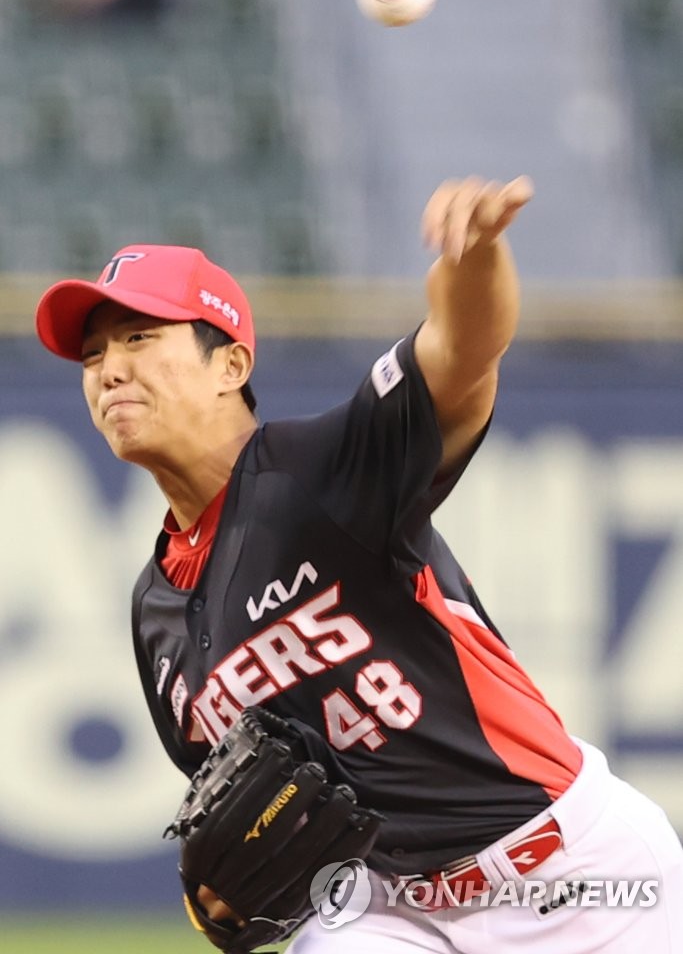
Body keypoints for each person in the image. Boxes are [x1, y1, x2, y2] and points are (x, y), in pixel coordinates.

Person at [35, 177, 683, 953]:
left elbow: (462, 352)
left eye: (140, 338)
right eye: (94, 352)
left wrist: (472, 259)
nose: (108, 370)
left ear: (230, 365)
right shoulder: (156, 611)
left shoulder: (322, 472)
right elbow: (238, 801)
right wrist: (221, 892)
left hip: (575, 878)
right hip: (389, 913)